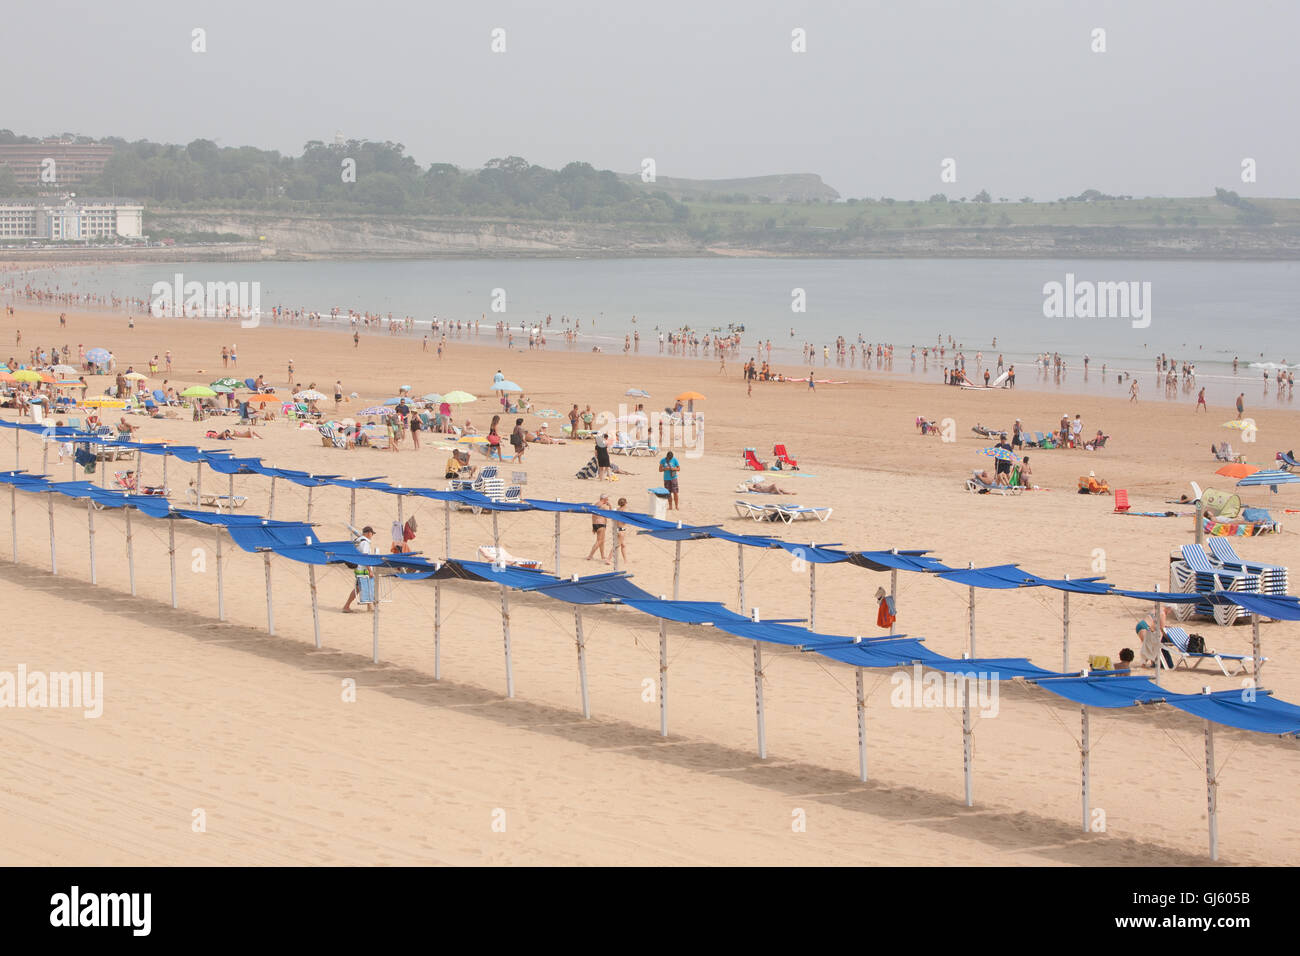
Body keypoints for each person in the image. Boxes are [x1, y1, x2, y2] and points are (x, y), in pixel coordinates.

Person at [342, 526, 376, 613]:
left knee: (365, 586)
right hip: (363, 568)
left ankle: (370, 606)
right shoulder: (365, 542)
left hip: (358, 567)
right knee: (358, 588)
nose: (372, 535)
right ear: (369, 533)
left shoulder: (358, 540)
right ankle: (346, 606)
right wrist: (370, 570)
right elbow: (365, 556)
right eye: (372, 534)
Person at [586, 494, 610, 561]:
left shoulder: (596, 504)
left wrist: (593, 526)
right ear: (604, 499)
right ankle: (590, 555)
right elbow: (609, 514)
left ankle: (602, 556)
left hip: (595, 524)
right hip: (601, 524)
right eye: (607, 499)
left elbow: (593, 515)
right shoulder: (603, 506)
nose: (608, 500)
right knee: (599, 541)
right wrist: (610, 506)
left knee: (602, 541)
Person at [608, 497, 629, 566]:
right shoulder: (624, 511)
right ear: (625, 503)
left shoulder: (617, 509)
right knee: (617, 545)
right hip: (621, 529)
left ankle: (625, 560)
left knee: (623, 545)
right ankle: (608, 559)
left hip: (617, 529)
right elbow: (624, 521)